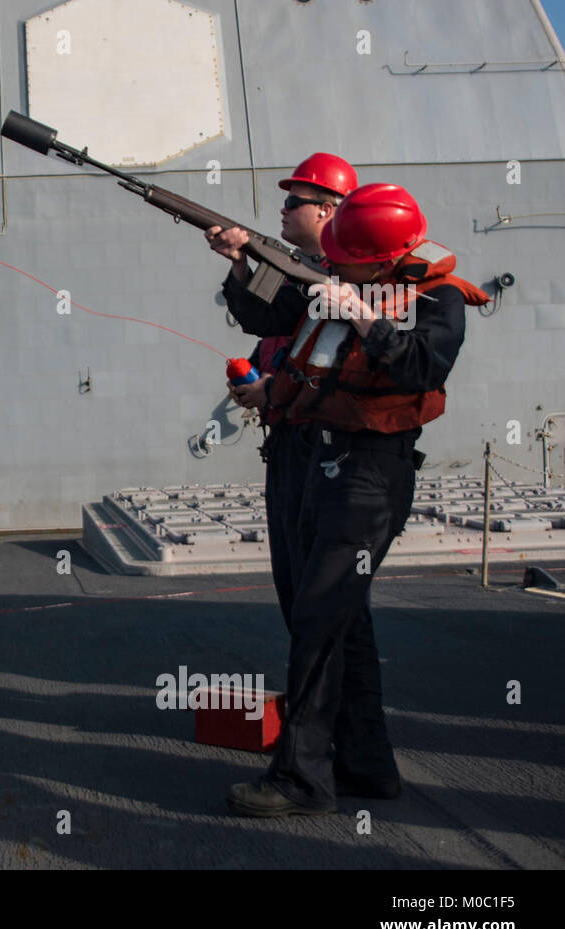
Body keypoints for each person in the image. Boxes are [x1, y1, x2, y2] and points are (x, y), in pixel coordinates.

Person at [213, 184, 489, 816]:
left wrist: (362, 312)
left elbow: (422, 367)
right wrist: (238, 262)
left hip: (370, 473)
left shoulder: (437, 298)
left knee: (319, 620)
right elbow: (268, 316)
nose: (333, 264)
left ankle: (303, 780)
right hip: (322, 457)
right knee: (339, 619)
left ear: (384, 256)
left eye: (346, 258)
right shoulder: (340, 279)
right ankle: (367, 765)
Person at [209, 153, 357, 632]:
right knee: (293, 583)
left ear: (327, 209)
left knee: (320, 594)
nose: (284, 208)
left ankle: (330, 701)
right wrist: (238, 262)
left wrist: (277, 389)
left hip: (321, 443)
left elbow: (343, 361)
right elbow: (265, 325)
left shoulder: (348, 281)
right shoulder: (303, 272)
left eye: (295, 201)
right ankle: (315, 694)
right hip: (288, 442)